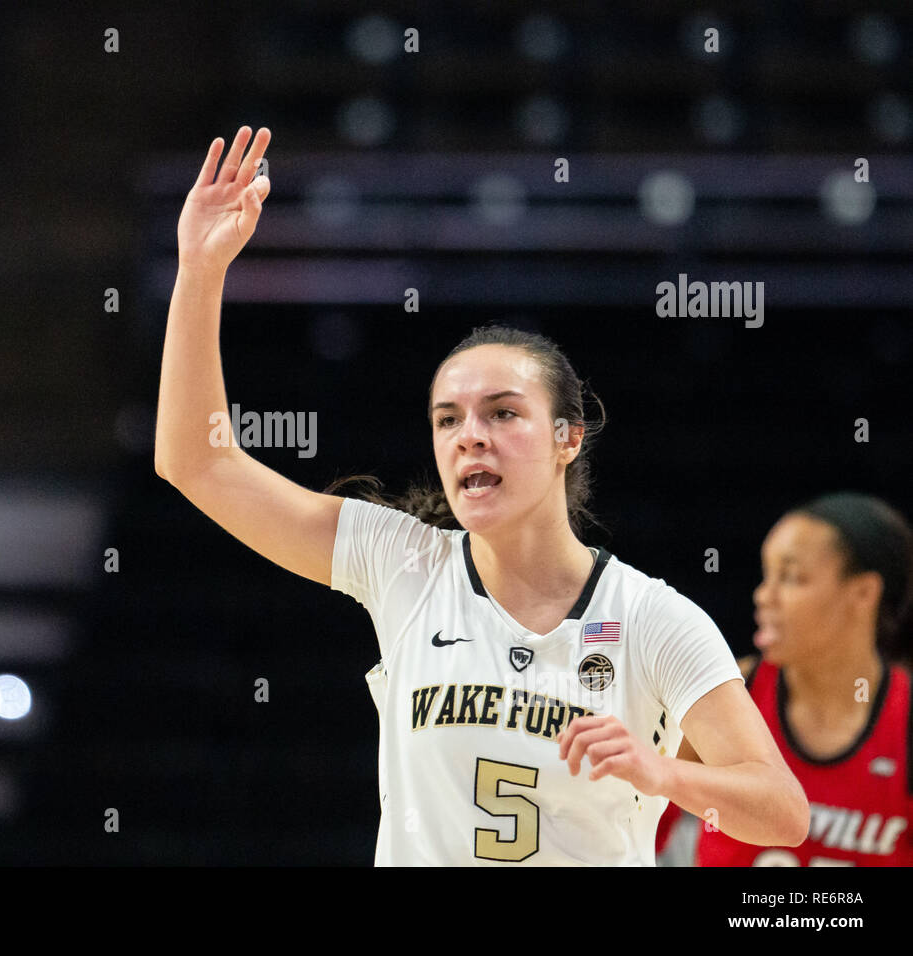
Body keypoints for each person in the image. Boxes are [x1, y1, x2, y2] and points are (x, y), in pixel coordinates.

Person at [154, 125, 809, 864]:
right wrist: (200, 273)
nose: (470, 435)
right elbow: (197, 463)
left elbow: (784, 811)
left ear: (568, 438)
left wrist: (664, 771)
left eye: (503, 412)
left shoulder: (652, 619)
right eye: (448, 420)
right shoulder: (402, 563)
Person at [659, 492, 913, 866]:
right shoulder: (727, 694)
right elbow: (634, 831)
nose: (764, 595)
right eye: (767, 576)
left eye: (792, 578)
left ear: (863, 592)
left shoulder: (904, 722)